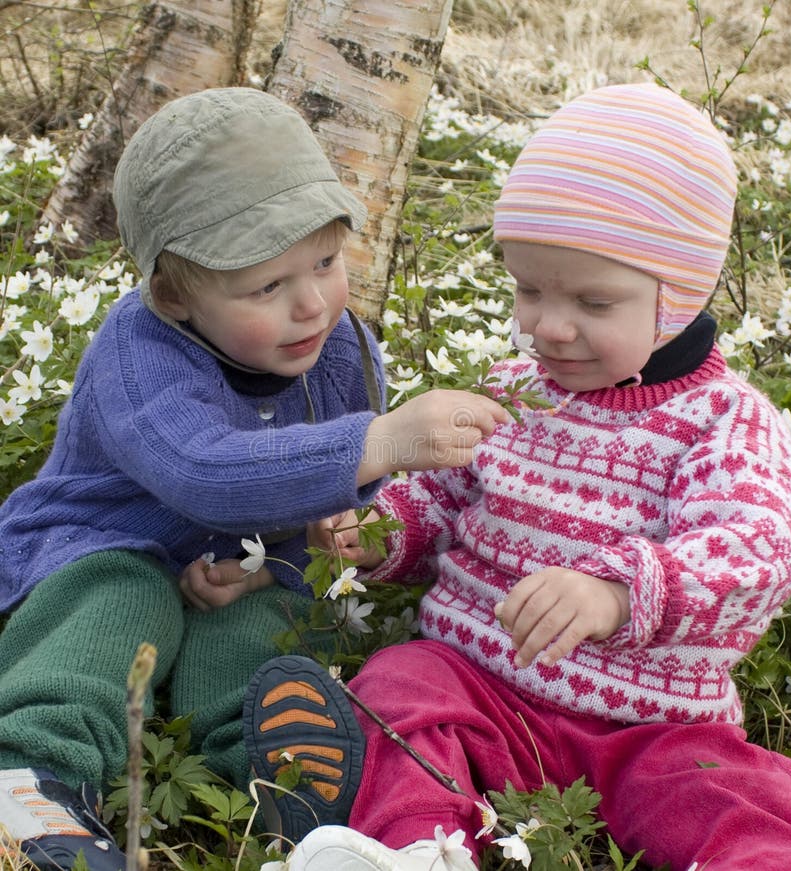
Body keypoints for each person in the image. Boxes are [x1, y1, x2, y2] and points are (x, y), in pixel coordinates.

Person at [245, 83, 791, 871]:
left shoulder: (726, 421)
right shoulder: (515, 387)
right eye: (528, 289)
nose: (549, 324)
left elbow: (756, 553)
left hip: (654, 727)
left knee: (721, 801)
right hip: (481, 689)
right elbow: (445, 496)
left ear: (679, 296)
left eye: (592, 301)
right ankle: (415, 850)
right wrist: (382, 529)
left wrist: (616, 593)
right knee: (399, 686)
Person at [0, 87, 509, 871]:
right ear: (175, 296)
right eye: (267, 287)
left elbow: (333, 497)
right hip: (99, 545)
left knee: (269, 625)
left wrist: (310, 545)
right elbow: (203, 471)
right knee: (123, 597)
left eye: (327, 263)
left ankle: (283, 788)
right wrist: (380, 440)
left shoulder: (338, 348)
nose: (312, 304)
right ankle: (31, 774)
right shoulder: (138, 352)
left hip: (241, 569)